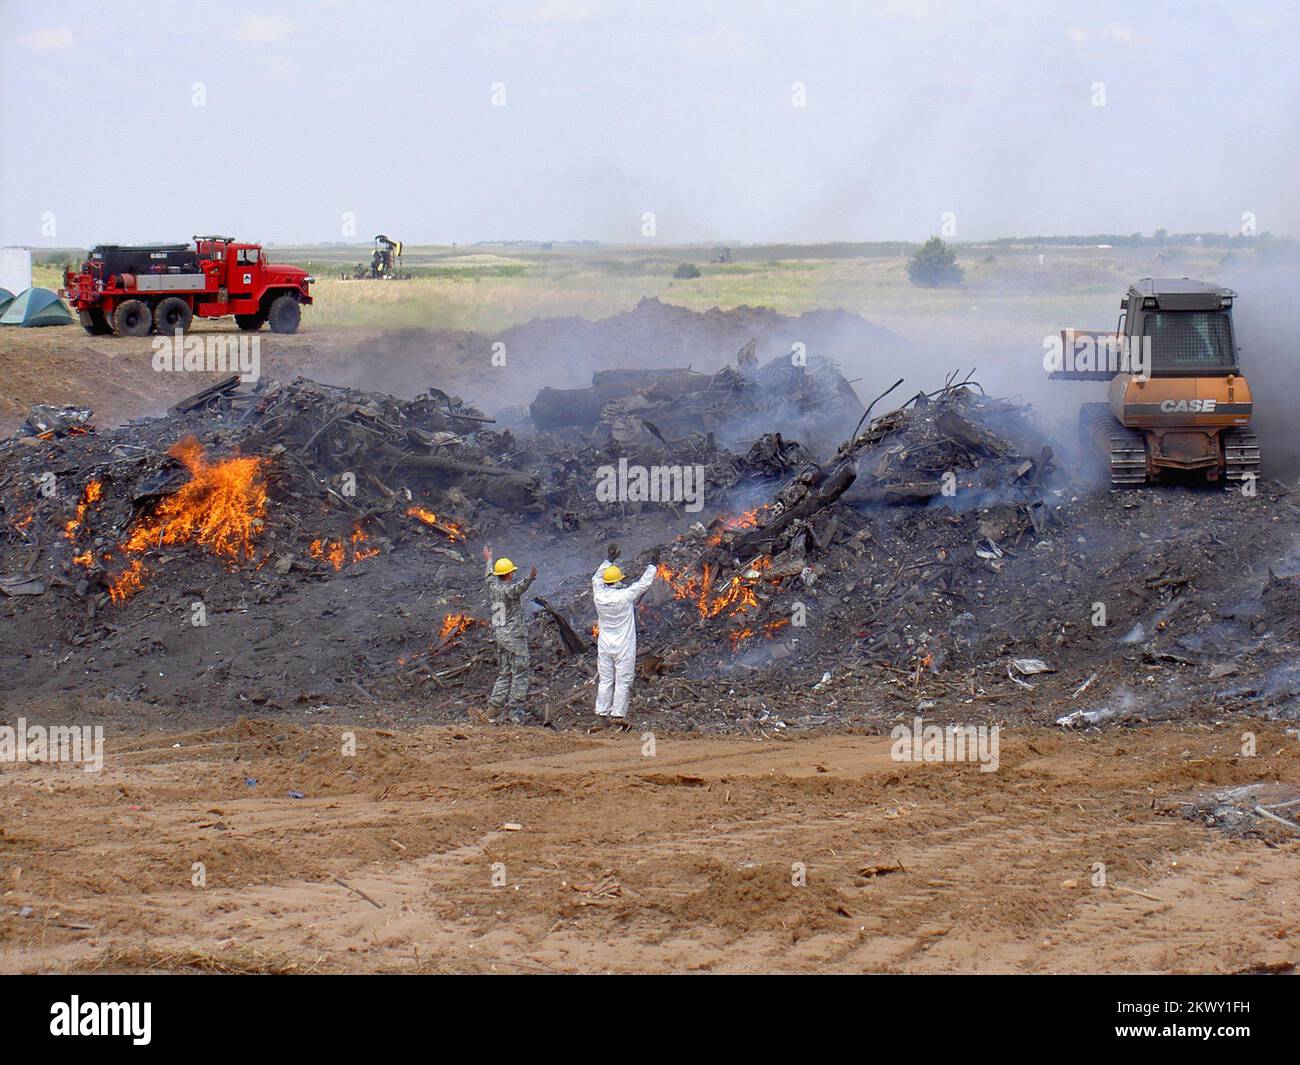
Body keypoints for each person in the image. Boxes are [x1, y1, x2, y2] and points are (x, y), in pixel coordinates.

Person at [591, 542, 658, 731]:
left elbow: (596, 578)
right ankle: (618, 715)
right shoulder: (625, 596)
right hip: (623, 647)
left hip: (605, 646)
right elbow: (643, 584)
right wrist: (653, 564)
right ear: (619, 581)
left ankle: (601, 715)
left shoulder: (599, 596)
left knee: (605, 680)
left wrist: (608, 560)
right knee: (623, 680)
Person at [478, 546, 537, 725]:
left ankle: (493, 709)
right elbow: (518, 589)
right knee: (520, 673)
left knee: (504, 673)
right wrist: (530, 578)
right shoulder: (507, 590)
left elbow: (488, 575)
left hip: (500, 637)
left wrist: (488, 559)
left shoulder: (493, 587)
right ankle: (514, 713)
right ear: (510, 574)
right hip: (514, 639)